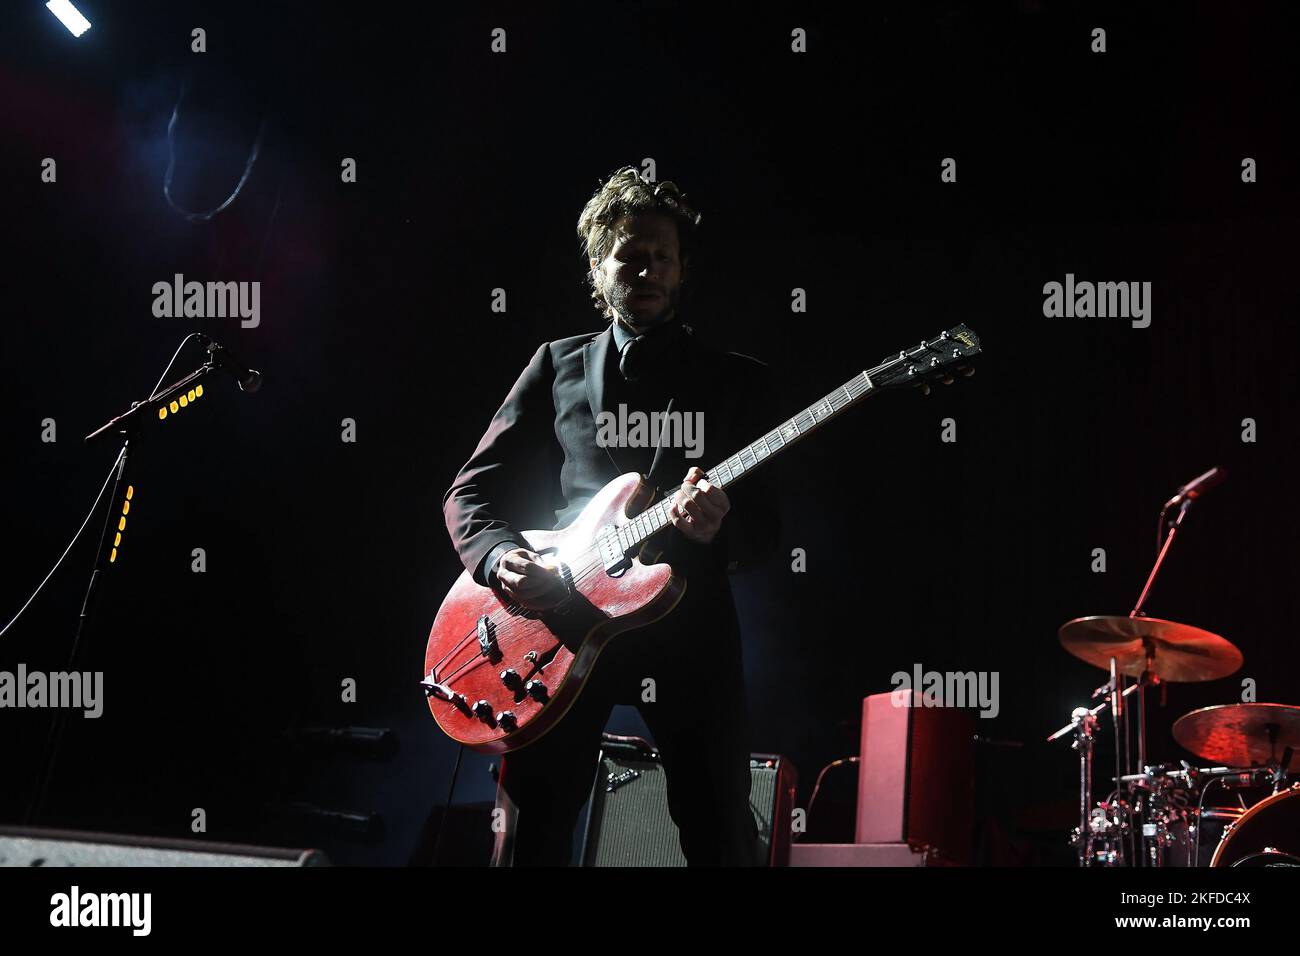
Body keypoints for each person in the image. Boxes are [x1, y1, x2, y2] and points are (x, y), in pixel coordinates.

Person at [442, 166, 781, 865]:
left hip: (688, 631)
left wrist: (720, 528)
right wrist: (503, 560)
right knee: (537, 824)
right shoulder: (556, 365)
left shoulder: (737, 382)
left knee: (719, 824)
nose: (648, 267)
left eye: (664, 255)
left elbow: (771, 528)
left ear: (682, 269)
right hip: (561, 621)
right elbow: (470, 493)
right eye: (630, 253)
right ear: (598, 267)